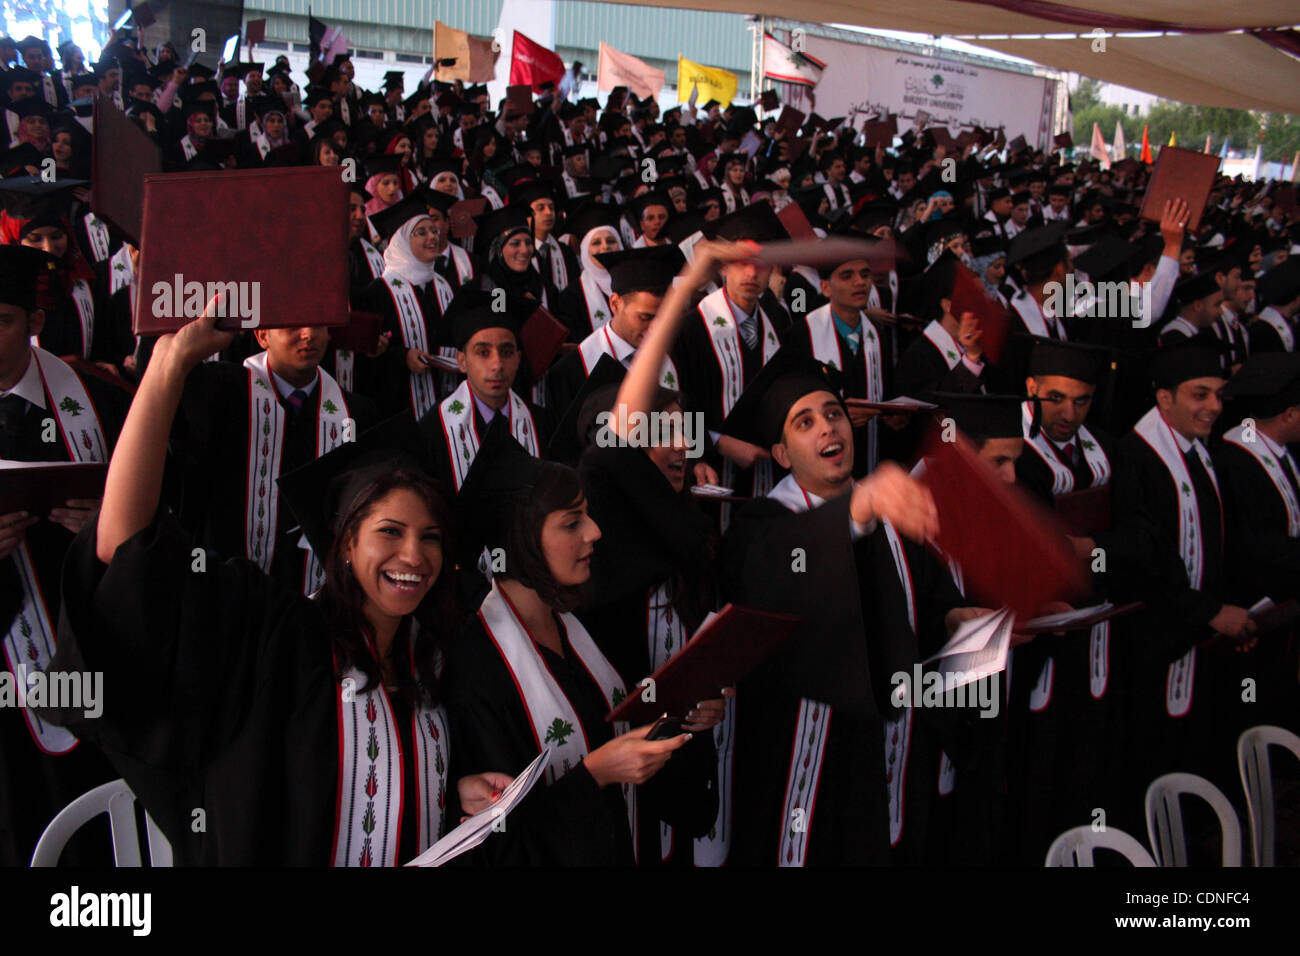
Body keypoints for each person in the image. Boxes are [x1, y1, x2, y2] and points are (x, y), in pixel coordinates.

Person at [443, 420, 701, 865]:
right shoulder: (476, 665)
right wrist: (596, 775)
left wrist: (680, 714)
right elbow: (502, 839)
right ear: (523, 542)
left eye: (588, 514)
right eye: (572, 523)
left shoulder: (583, 624)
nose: (595, 532)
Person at [0, 244, 127, 865]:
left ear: (34, 323)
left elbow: (164, 526)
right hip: (4, 673)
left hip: (95, 651)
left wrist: (112, 527)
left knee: (94, 847)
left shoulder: (98, 400)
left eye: (0, 320)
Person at [547, 246, 685, 423]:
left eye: (665, 317)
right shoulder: (572, 372)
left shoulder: (680, 350)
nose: (656, 329)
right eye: (645, 317)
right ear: (615, 304)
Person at [362, 195, 455, 417]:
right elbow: (368, 356)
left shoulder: (443, 285)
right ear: (401, 241)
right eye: (421, 232)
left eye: (433, 230)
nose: (432, 236)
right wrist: (403, 356)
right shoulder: (378, 292)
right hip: (399, 404)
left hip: (445, 398)